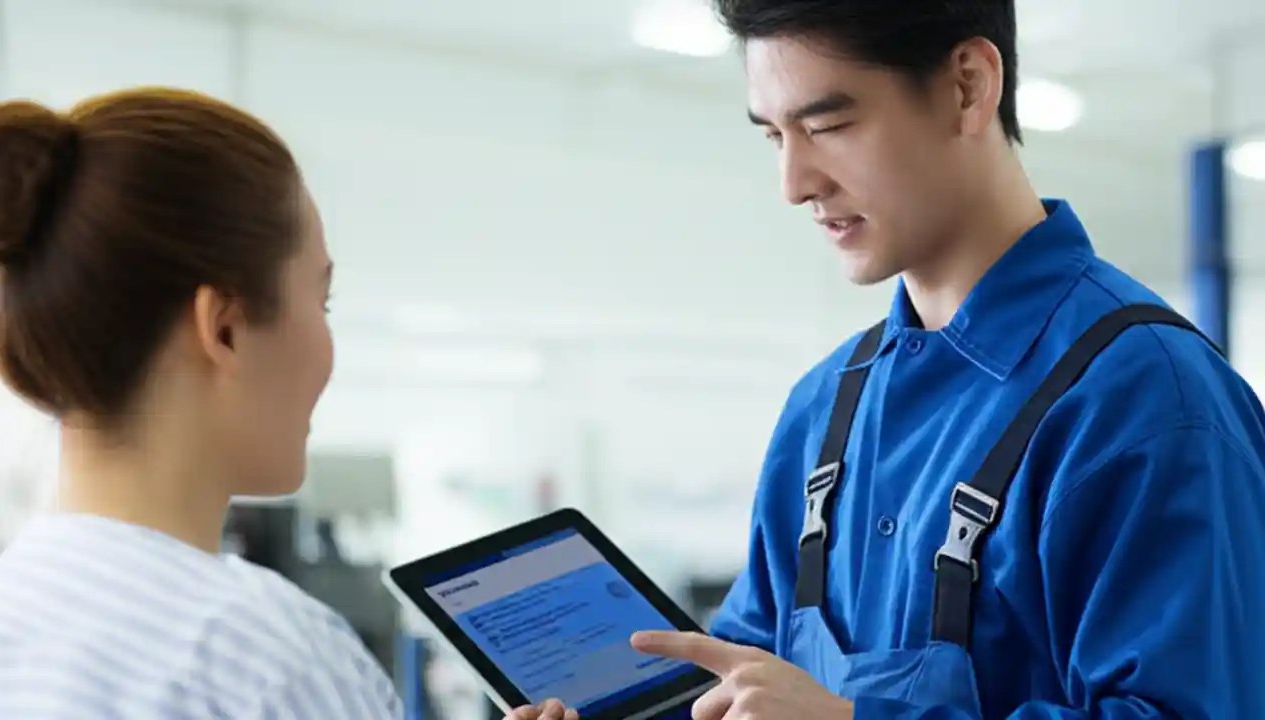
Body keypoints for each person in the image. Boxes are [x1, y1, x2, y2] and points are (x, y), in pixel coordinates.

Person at [518, 1, 1265, 719]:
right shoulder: (823, 408)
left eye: (830, 124)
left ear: (968, 86)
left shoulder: (1148, 402)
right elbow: (747, 676)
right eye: (775, 138)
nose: (795, 185)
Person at [0, 89, 402, 718]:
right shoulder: (271, 662)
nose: (328, 345)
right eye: (322, 303)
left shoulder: (11, 609)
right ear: (225, 329)